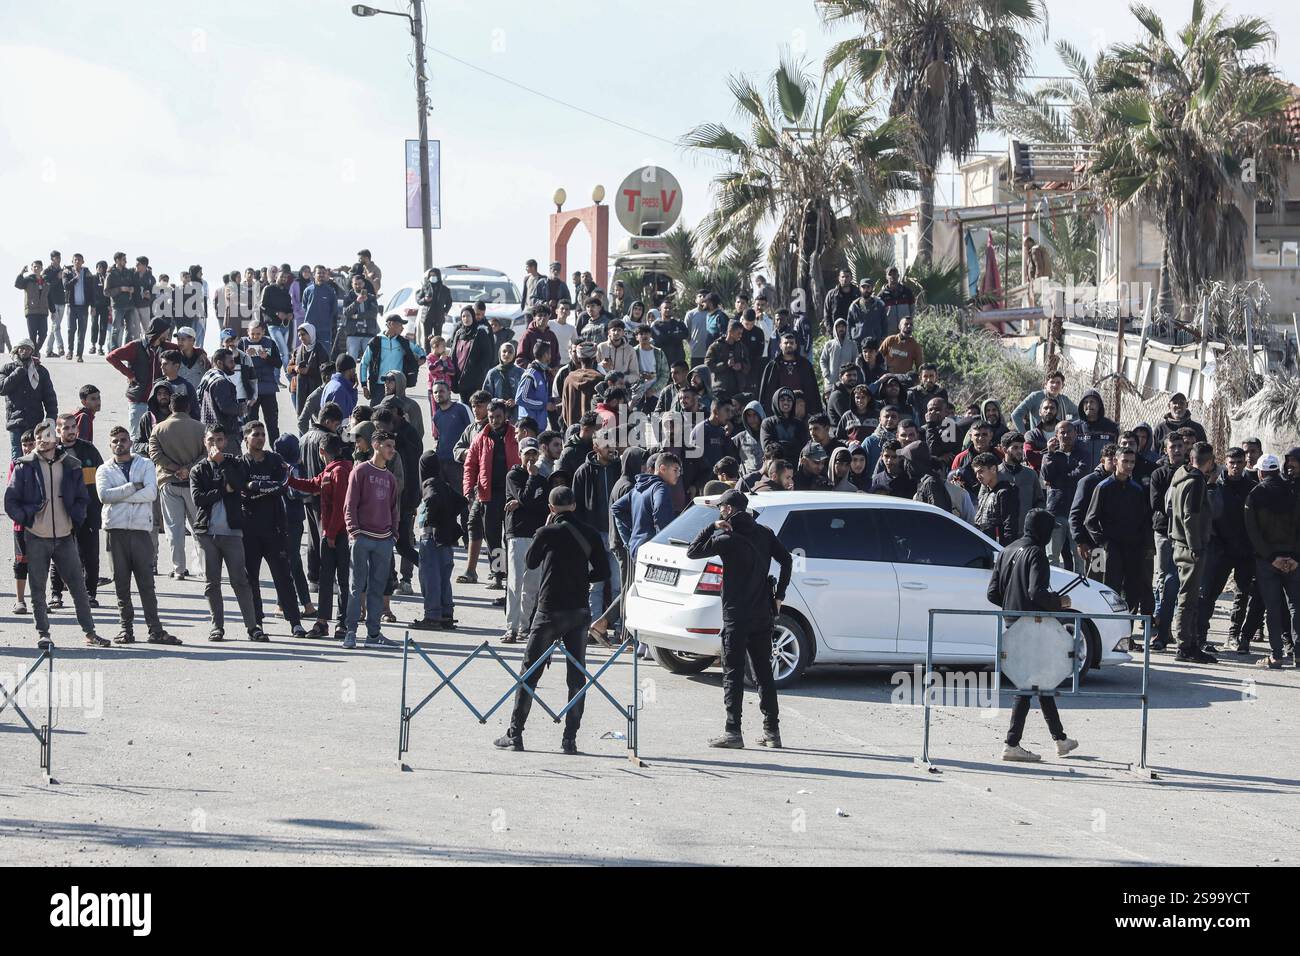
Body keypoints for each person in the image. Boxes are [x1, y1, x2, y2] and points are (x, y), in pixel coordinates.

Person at [493, 486, 611, 755]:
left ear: (550, 508)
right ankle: (569, 739)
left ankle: (516, 734)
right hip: (579, 612)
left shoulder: (547, 532)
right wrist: (580, 579)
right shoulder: (590, 534)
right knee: (576, 676)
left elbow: (530, 562)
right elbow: (602, 571)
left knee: (529, 672)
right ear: (574, 506)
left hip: (548, 611)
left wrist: (542, 532)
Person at [686, 489, 793, 748]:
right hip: (762, 614)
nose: (720, 513)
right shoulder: (764, 533)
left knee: (732, 672)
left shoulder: (726, 538)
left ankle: (733, 732)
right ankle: (772, 732)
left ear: (729, 510)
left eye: (721, 509)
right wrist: (780, 595)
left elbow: (692, 550)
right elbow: (787, 559)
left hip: (736, 616)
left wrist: (712, 527)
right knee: (764, 672)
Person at [5, 419, 108, 648]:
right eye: (38, 436)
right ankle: (44, 634)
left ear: (55, 438)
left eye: (46, 435)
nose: (42, 440)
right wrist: (29, 516)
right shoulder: (24, 466)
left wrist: (75, 520)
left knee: (78, 589)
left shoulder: (71, 464)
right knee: (38, 590)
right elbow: (10, 502)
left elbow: (83, 497)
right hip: (37, 537)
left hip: (64, 536)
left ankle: (90, 633)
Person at [987, 508, 1079, 762]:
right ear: (1043, 531)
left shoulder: (1006, 551)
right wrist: (1060, 602)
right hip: (1032, 625)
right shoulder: (1036, 553)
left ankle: (1060, 739)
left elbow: (992, 593)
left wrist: (1011, 606)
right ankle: (1011, 743)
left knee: (1039, 679)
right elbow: (1036, 593)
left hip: (1011, 623)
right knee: (1029, 683)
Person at [97, 426, 181, 645]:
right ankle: (126, 629)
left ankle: (155, 629)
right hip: (115, 532)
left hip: (141, 531)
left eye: (123, 440)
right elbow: (104, 496)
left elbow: (151, 493)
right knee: (121, 584)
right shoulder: (104, 469)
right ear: (110, 444)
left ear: (130, 443)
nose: (119, 444)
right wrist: (133, 487)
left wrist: (120, 497)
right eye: (115, 440)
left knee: (146, 583)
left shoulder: (144, 464)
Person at [190, 424, 265, 642]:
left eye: (219, 440)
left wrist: (222, 464)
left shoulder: (233, 462)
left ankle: (253, 627)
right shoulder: (198, 469)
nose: (215, 444)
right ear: (205, 441)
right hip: (207, 533)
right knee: (212, 583)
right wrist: (223, 490)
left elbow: (241, 485)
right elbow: (199, 499)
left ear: (226, 441)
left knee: (240, 581)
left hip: (232, 532)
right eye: (211, 440)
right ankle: (217, 627)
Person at [287, 432, 353, 638]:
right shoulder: (329, 471)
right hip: (331, 533)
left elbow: (342, 507)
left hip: (339, 535)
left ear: (321, 451)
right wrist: (289, 480)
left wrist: (331, 534)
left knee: (342, 579)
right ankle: (322, 622)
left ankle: (342, 623)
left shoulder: (340, 471)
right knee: (326, 578)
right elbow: (312, 484)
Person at [1197, 447, 1261, 655]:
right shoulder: (1215, 485)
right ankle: (1201, 637)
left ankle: (1234, 635)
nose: (1235, 466)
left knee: (1242, 594)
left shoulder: (1251, 487)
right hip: (1219, 548)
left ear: (1245, 464)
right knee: (1209, 593)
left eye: (1239, 463)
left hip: (1244, 549)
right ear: (1225, 462)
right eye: (1231, 463)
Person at [342, 430, 401, 649]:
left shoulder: (390, 477)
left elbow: (395, 508)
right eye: (387, 445)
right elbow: (350, 504)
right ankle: (350, 632)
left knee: (378, 588)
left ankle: (374, 634)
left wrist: (393, 534)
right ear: (376, 445)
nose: (391, 450)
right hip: (362, 537)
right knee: (357, 587)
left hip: (384, 540)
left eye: (393, 446)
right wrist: (354, 531)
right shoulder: (361, 471)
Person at [1243, 455, 1300, 669]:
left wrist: (1271, 557)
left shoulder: (1255, 494)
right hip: (1294, 561)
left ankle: (1276, 655)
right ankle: (1298, 654)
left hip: (1268, 562)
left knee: (1273, 608)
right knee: (1296, 606)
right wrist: (1294, 557)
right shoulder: (1294, 491)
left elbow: (1253, 531)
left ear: (1260, 473)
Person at [1084, 447, 1151, 616]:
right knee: (1110, 591)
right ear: (1116, 461)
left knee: (1132, 592)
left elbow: (1143, 521)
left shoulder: (1136, 489)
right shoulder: (1104, 487)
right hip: (1111, 550)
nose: (1129, 466)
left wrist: (1145, 545)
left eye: (1132, 462)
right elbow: (1090, 520)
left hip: (1133, 549)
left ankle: (1127, 634)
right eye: (1125, 461)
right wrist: (1105, 543)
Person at [463, 399, 520, 592]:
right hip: (489, 495)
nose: (494, 421)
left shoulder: (516, 435)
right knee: (493, 537)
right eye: (491, 417)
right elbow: (470, 466)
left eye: (498, 417)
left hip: (512, 494)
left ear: (506, 417)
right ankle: (498, 575)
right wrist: (468, 489)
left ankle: (512, 574)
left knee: (511, 538)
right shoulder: (481, 437)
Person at [1168, 441, 1217, 663]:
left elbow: (1168, 505)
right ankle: (1185, 646)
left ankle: (1189, 642)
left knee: (1187, 596)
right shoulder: (1196, 481)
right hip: (1190, 547)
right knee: (1189, 598)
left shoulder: (1179, 475)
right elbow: (1191, 516)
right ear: (1209, 461)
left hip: (1178, 542)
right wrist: (1195, 545)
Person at [149, 391, 205, 579]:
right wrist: (187, 469)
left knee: (174, 528)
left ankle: (178, 568)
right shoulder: (200, 428)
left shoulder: (158, 429)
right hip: (194, 484)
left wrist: (175, 469)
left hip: (168, 482)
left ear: (171, 407)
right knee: (199, 527)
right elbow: (207, 454)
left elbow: (155, 455)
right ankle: (204, 567)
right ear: (188, 407)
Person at [500, 437, 550, 643]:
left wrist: (522, 502)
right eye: (527, 453)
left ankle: (524, 626)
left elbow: (541, 506)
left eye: (534, 453)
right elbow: (527, 498)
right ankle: (511, 627)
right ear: (520, 454)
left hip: (536, 534)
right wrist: (529, 485)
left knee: (532, 584)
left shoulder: (542, 478)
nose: (530, 457)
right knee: (515, 583)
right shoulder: (514, 475)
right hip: (517, 534)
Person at [410, 457, 468, 631]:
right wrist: (447, 517)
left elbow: (431, 498)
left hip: (431, 538)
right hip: (446, 539)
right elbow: (462, 501)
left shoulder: (428, 483)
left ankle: (432, 616)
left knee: (430, 578)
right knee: (444, 578)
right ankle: (446, 615)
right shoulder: (443, 483)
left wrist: (430, 518)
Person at [1148, 432, 1187, 649]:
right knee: (1164, 580)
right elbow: (1156, 503)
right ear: (1166, 450)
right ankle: (1162, 629)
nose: (1177, 450)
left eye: (1180, 446)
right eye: (1173, 447)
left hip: (1184, 535)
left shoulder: (1190, 473)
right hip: (1163, 532)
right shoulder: (1159, 474)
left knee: (1180, 583)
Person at [1040, 421, 1086, 570]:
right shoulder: (1050, 455)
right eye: (1062, 432)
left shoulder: (1083, 453)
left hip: (1076, 512)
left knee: (1079, 556)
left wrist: (1057, 479)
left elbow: (1080, 475)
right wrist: (1051, 453)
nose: (1066, 435)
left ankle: (1082, 590)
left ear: (1075, 434)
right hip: (1056, 510)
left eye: (1069, 432)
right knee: (1052, 556)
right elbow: (1046, 475)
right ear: (1056, 435)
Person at [2, 340, 58, 460]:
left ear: (32, 351)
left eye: (28, 349)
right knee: (17, 456)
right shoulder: (7, 368)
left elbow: (49, 397)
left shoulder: (40, 371)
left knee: (36, 457)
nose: (24, 351)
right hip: (15, 422)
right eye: (21, 348)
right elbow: (2, 389)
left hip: (35, 423)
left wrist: (51, 418)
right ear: (16, 350)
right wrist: (20, 370)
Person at [361, 313, 426, 401]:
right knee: (376, 413)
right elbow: (364, 363)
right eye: (400, 325)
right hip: (378, 387)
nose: (402, 328)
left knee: (396, 414)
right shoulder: (375, 342)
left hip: (397, 386)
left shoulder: (403, 341)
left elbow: (419, 350)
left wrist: (422, 358)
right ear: (391, 324)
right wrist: (364, 385)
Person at [758, 333, 822, 415]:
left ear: (795, 345)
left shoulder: (805, 365)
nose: (789, 345)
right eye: (786, 343)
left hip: (800, 410)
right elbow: (765, 392)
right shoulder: (772, 366)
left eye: (791, 343)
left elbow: (814, 390)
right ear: (780, 345)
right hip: (779, 411)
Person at [973, 452, 1019, 545]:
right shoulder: (985, 493)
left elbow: (1010, 525)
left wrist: (1006, 551)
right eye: (976, 473)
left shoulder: (1005, 492)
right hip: (984, 547)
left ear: (993, 469)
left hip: (998, 549)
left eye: (981, 471)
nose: (978, 476)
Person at [1010, 371, 1077, 433]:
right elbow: (1016, 415)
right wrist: (1024, 435)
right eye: (1052, 382)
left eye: (1058, 383)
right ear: (1045, 384)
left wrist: (1067, 424)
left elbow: (1079, 414)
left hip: (1058, 441)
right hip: (1038, 441)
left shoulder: (1064, 400)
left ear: (1062, 386)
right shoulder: (1035, 397)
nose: (1055, 385)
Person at [288, 323, 328, 414]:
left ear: (311, 334)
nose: (301, 338)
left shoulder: (320, 350)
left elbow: (326, 371)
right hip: (297, 390)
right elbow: (289, 369)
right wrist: (296, 368)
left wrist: (308, 371)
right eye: (299, 335)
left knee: (316, 420)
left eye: (303, 334)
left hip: (315, 390)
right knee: (301, 420)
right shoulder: (297, 350)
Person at [321, 354, 360, 421]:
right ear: (350, 370)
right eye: (354, 370)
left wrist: (353, 389)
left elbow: (351, 406)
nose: (355, 373)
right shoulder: (340, 390)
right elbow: (341, 420)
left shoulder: (330, 384)